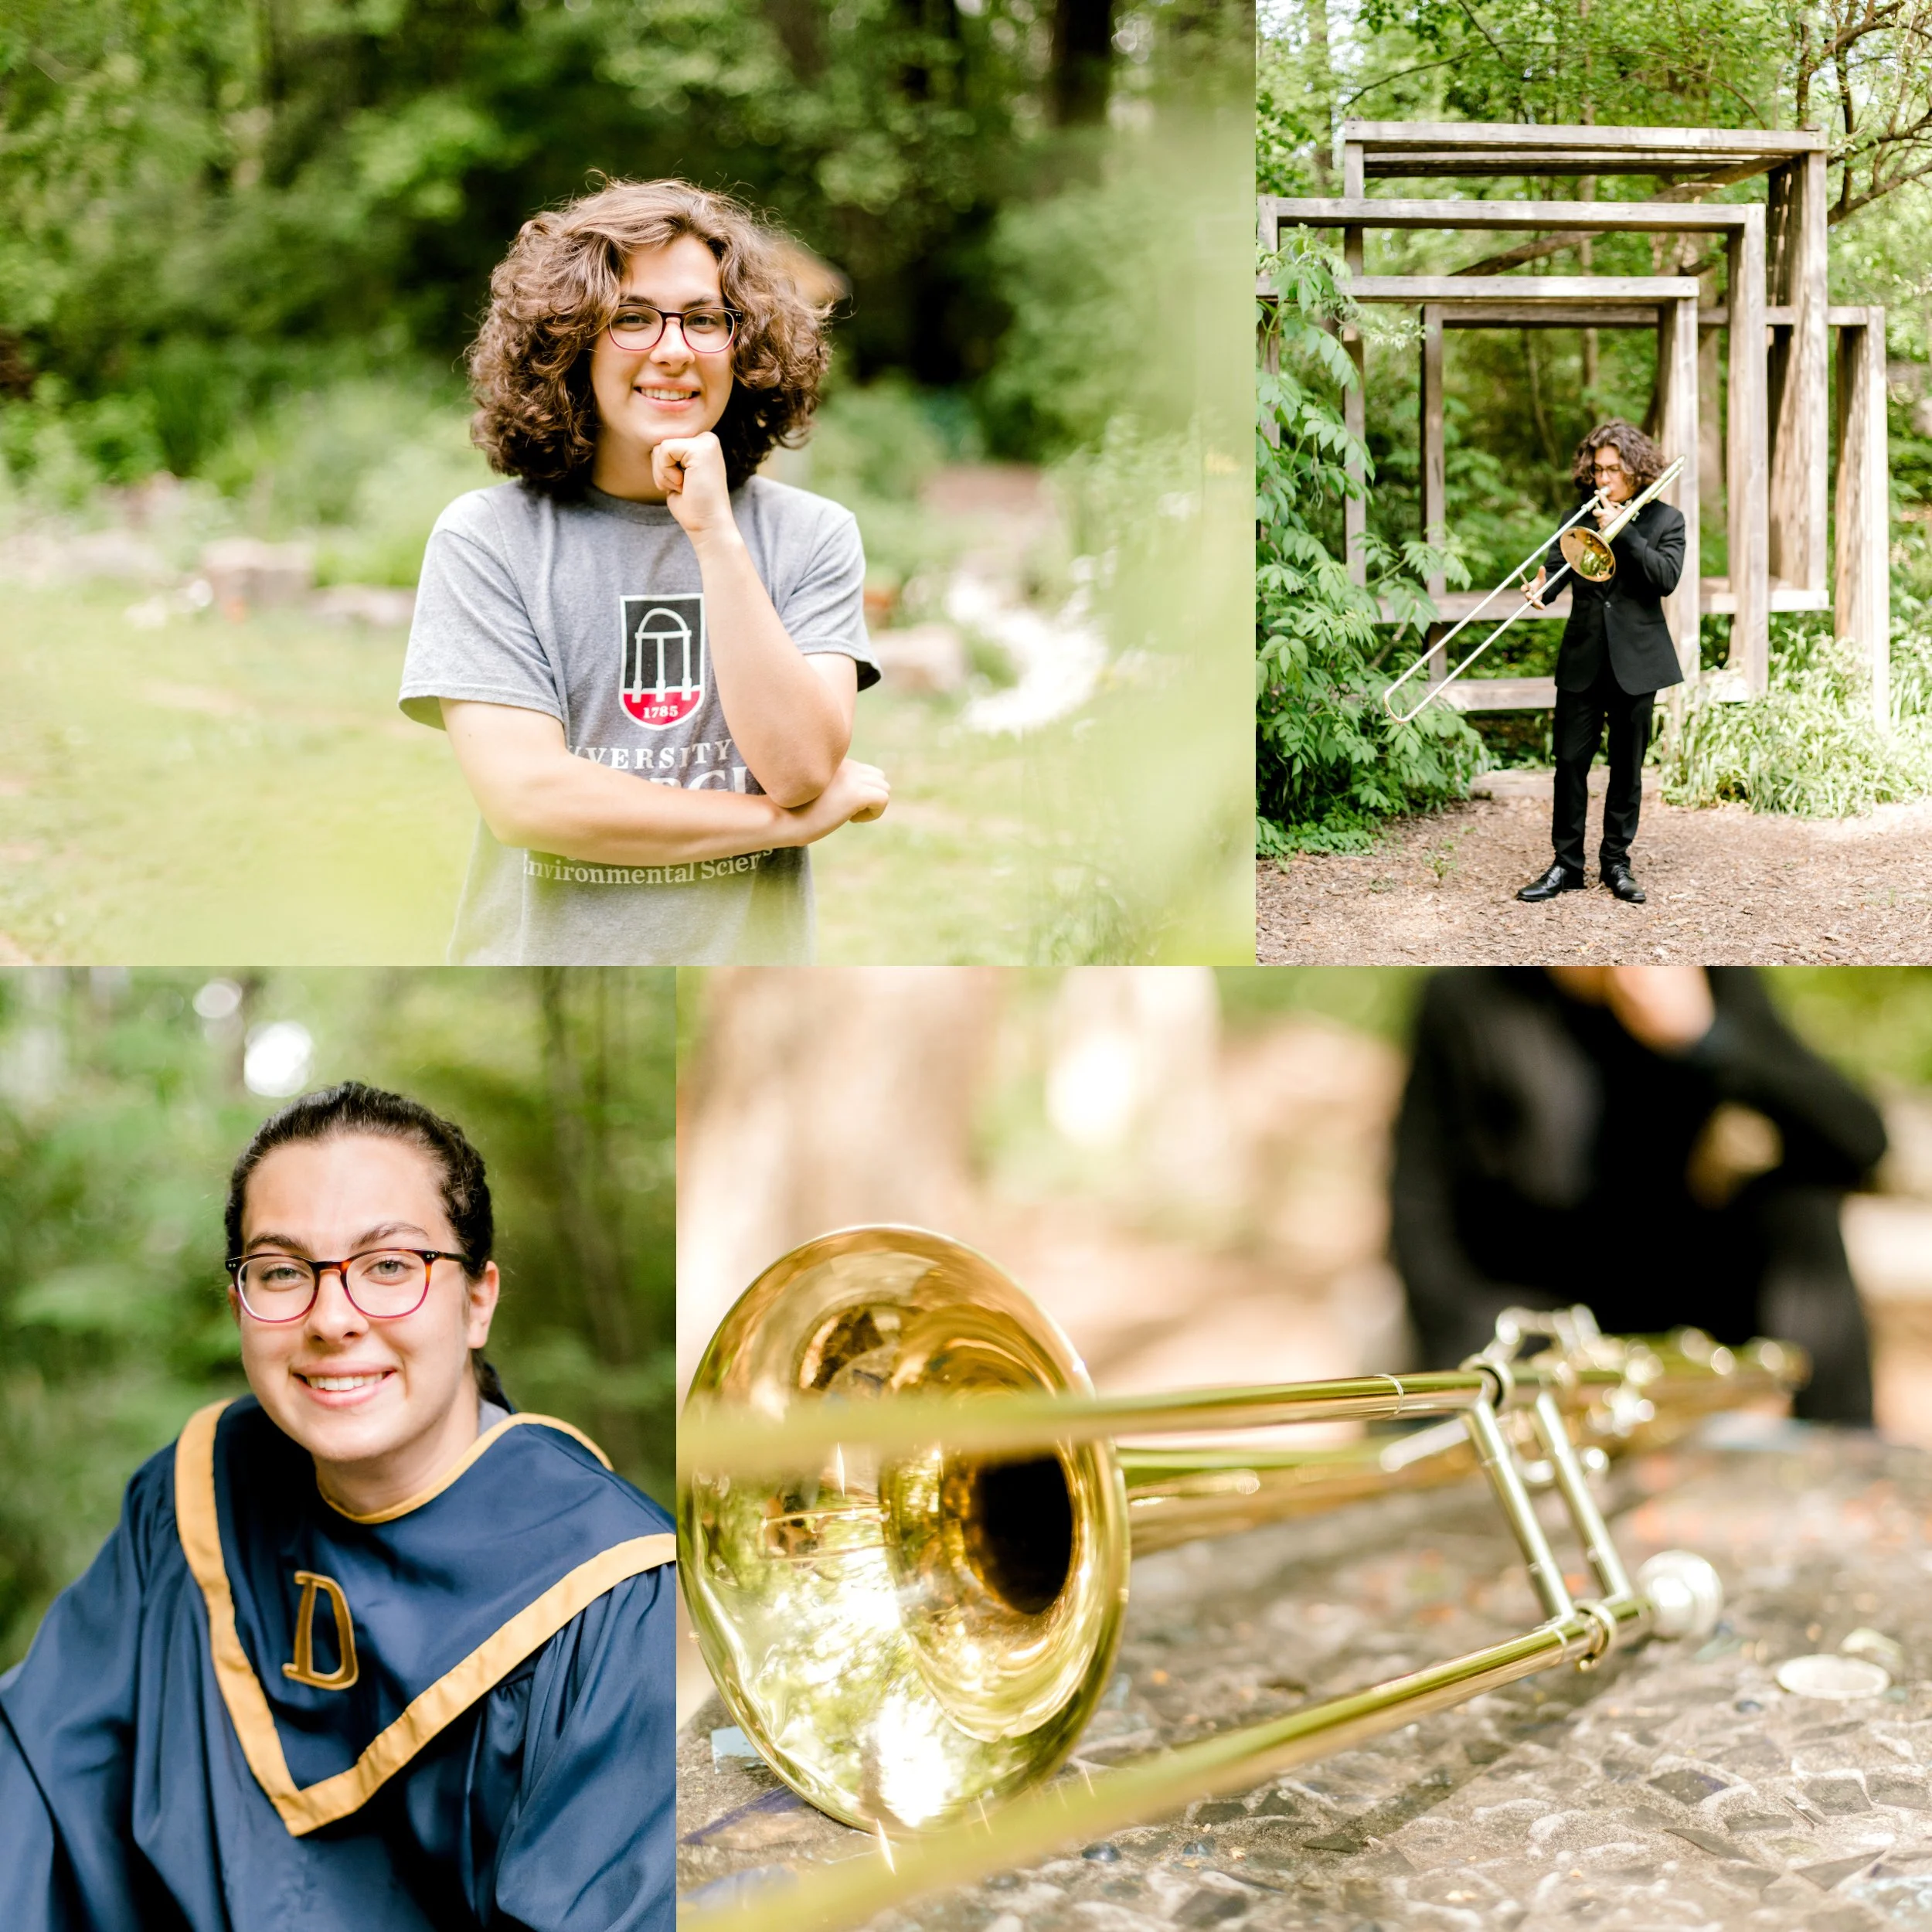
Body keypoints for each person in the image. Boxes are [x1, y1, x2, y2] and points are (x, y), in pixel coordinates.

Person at [0, 1083, 675, 1930]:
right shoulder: (191, 1498)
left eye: (390, 1265)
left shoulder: (612, 1592)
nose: (331, 1318)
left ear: (478, 1299)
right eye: (281, 1272)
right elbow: (34, 1784)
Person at [400, 179, 891, 965]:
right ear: (570, 344)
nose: (673, 348)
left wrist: (714, 535)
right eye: (631, 318)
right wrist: (783, 824)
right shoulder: (488, 539)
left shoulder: (811, 537)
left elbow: (800, 765)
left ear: (744, 343)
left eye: (704, 319)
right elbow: (531, 800)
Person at [1391, 967, 1886, 1424]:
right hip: (1534, 1308)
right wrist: (1480, 1370)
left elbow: (1860, 1141)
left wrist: (1708, 1038)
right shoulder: (1470, 996)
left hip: (1677, 1283)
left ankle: (1843, 1462)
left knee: (1800, 1205)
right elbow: (1420, 1205)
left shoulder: (1705, 977)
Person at [1515, 420, 1685, 907]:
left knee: (1626, 767)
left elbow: (1665, 578)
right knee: (1568, 763)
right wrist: (1538, 591)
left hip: (1638, 661)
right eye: (1597, 470)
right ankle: (1566, 866)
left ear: (1636, 470)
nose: (1603, 480)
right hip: (1583, 658)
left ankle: (1616, 863)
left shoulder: (1666, 521)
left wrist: (1625, 530)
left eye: (1614, 470)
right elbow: (1553, 577)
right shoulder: (1577, 518)